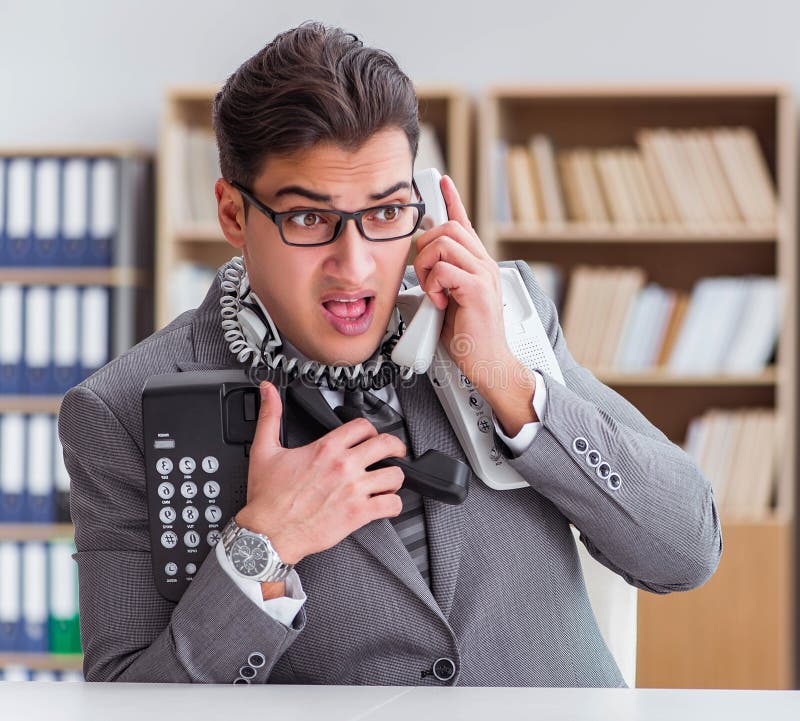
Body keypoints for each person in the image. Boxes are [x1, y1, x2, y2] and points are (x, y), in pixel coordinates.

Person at [58, 21, 721, 686]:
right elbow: (130, 701)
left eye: (385, 213)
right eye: (309, 219)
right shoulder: (119, 410)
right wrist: (262, 548)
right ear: (233, 214)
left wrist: (511, 384)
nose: (355, 266)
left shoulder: (499, 315)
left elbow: (687, 551)